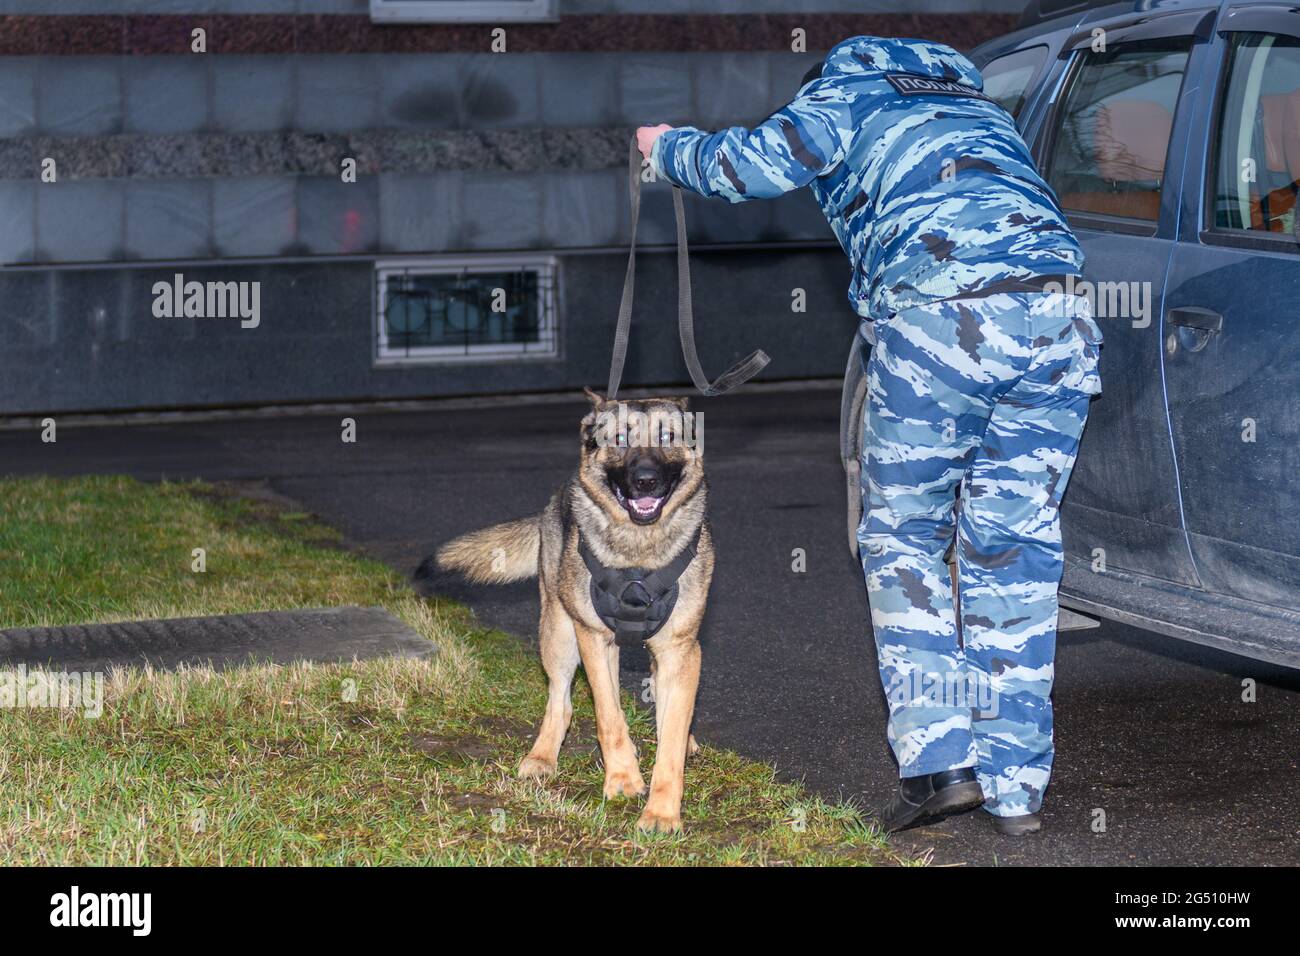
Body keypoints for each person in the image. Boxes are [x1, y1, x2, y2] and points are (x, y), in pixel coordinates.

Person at [636, 34, 1102, 836]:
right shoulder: (976, 107)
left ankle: (939, 768)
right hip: (1060, 321)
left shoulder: (846, 92)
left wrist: (665, 147)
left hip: (943, 321)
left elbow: (756, 162)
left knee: (902, 538)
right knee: (1012, 550)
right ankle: (1018, 791)